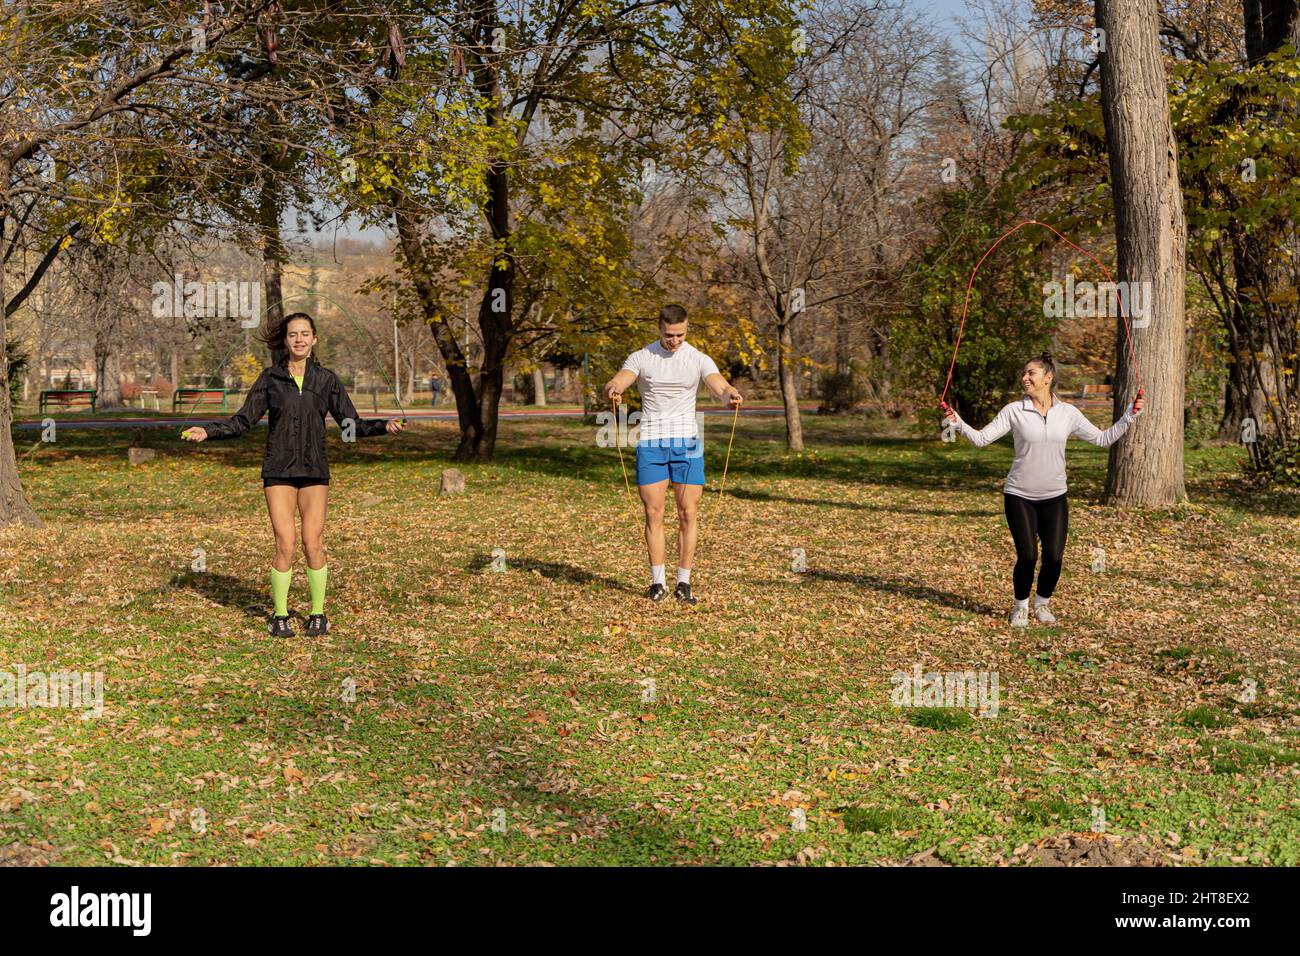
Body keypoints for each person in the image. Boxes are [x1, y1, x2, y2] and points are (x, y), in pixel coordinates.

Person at [181, 312, 406, 637]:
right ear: (285, 341)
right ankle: (280, 615)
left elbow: (349, 426)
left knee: (312, 541)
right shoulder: (270, 379)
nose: (299, 339)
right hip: (278, 470)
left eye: (305, 334)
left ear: (314, 339)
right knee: (285, 542)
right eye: (293, 335)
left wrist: (383, 426)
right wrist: (208, 430)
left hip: (314, 470)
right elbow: (243, 421)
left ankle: (318, 614)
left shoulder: (326, 380)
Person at [942, 351, 1144, 627]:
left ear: (1048, 378)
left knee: (1054, 556)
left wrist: (1129, 416)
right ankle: (1020, 606)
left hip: (1054, 497)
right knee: (1027, 555)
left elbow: (1102, 439)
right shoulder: (1014, 411)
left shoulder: (1068, 413)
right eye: (1024, 373)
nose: (1024, 378)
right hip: (1019, 495)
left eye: (1030, 373)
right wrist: (959, 423)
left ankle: (1043, 603)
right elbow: (981, 439)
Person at [604, 304, 742, 605]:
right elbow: (623, 377)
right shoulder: (642, 356)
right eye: (669, 335)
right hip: (652, 442)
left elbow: (717, 383)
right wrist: (614, 387)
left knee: (687, 513)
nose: (675, 340)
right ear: (659, 328)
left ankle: (683, 582)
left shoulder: (698, 358)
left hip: (688, 443)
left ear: (687, 329)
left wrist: (729, 392)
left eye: (680, 334)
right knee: (653, 514)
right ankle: (658, 582)